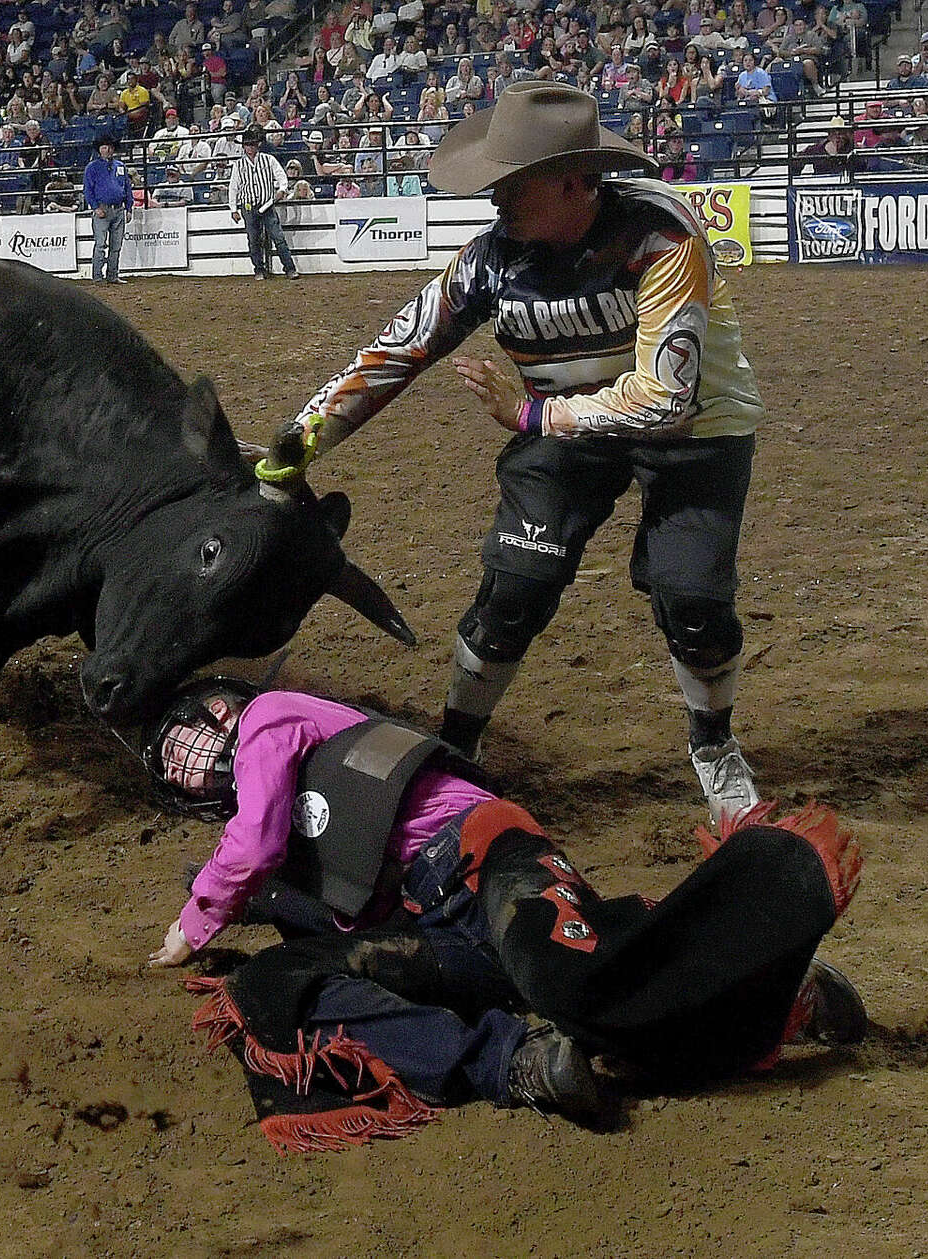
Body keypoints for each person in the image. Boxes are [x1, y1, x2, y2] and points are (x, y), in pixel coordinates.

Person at [257, 84, 769, 825]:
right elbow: (401, 347)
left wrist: (531, 413)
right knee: (513, 589)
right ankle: (456, 744)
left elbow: (668, 397)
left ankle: (714, 746)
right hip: (564, 431)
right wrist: (303, 438)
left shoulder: (661, 238)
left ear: (574, 181)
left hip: (691, 433)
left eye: (514, 182)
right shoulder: (491, 260)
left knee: (694, 598)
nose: (495, 197)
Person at [140, 682, 867, 1150]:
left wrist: (195, 920)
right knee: (272, 983)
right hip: (432, 925)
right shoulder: (291, 839)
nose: (181, 768)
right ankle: (516, 1064)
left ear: (221, 711)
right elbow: (319, 904)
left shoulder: (269, 718)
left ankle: (774, 986)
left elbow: (253, 841)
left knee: (567, 978)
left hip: (482, 853)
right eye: (173, 772)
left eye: (180, 747)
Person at [227, 128, 299, 278]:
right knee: (253, 240)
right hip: (248, 206)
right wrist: (233, 208)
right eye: (247, 145)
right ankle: (259, 269)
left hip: (267, 205)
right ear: (244, 146)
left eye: (252, 144)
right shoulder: (238, 165)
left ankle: (289, 268)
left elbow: (281, 176)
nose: (250, 148)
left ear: (257, 145)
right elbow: (233, 187)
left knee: (278, 238)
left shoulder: (268, 160)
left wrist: (282, 189)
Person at [82, 134, 132, 283]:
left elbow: (127, 188)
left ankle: (112, 275)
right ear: (99, 150)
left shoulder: (120, 166)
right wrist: (95, 207)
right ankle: (98, 276)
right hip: (102, 209)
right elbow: (88, 190)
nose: (108, 150)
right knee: (101, 244)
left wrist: (129, 208)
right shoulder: (92, 167)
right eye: (104, 147)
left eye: (109, 147)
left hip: (118, 209)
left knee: (116, 245)